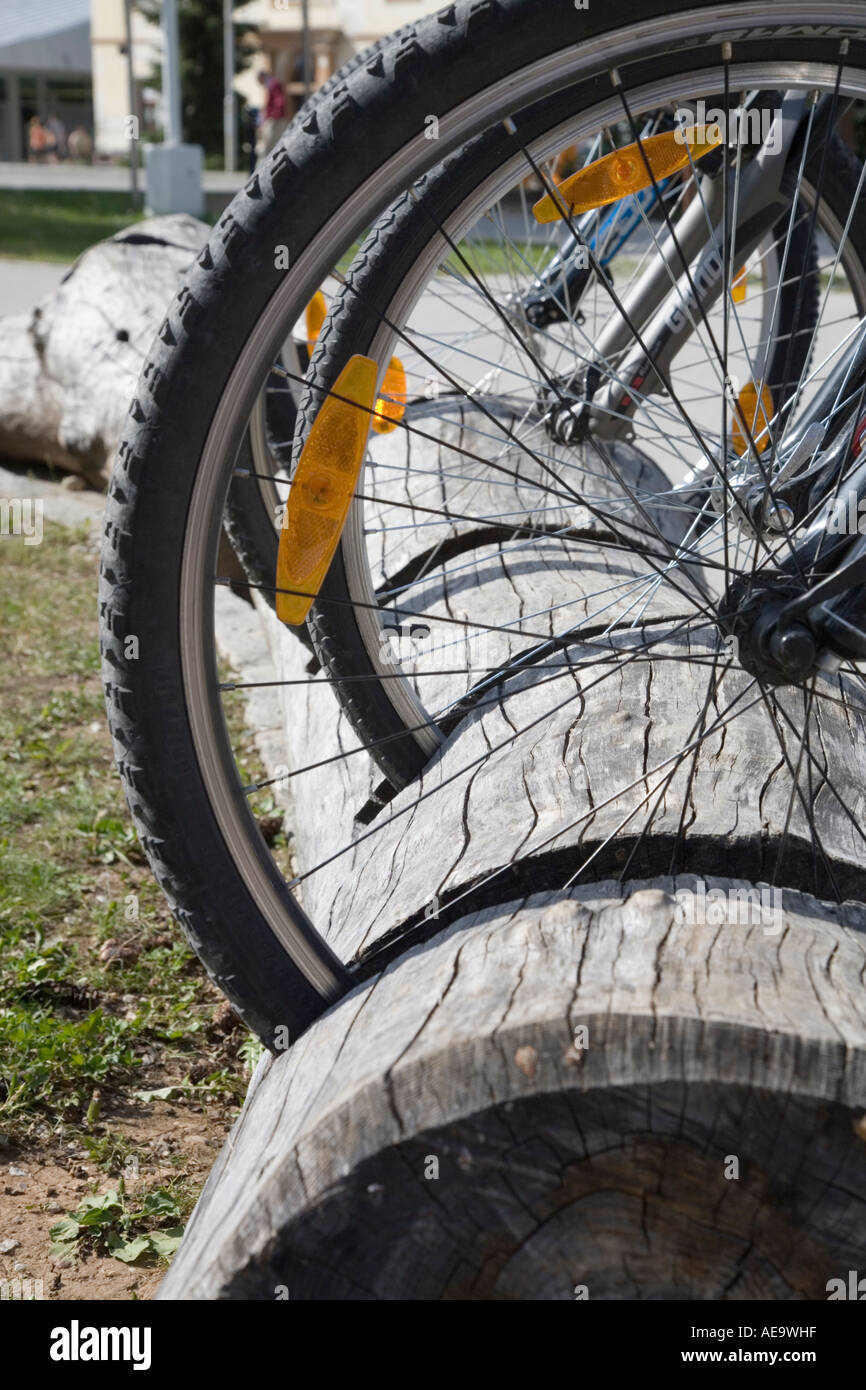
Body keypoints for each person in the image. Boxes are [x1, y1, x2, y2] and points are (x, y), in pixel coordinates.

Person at [256, 70, 288, 161]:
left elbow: (279, 102)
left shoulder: (272, 85)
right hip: (274, 117)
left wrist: (270, 115)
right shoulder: (271, 84)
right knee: (272, 143)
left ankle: (266, 164)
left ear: (261, 78)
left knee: (269, 144)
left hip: (274, 118)